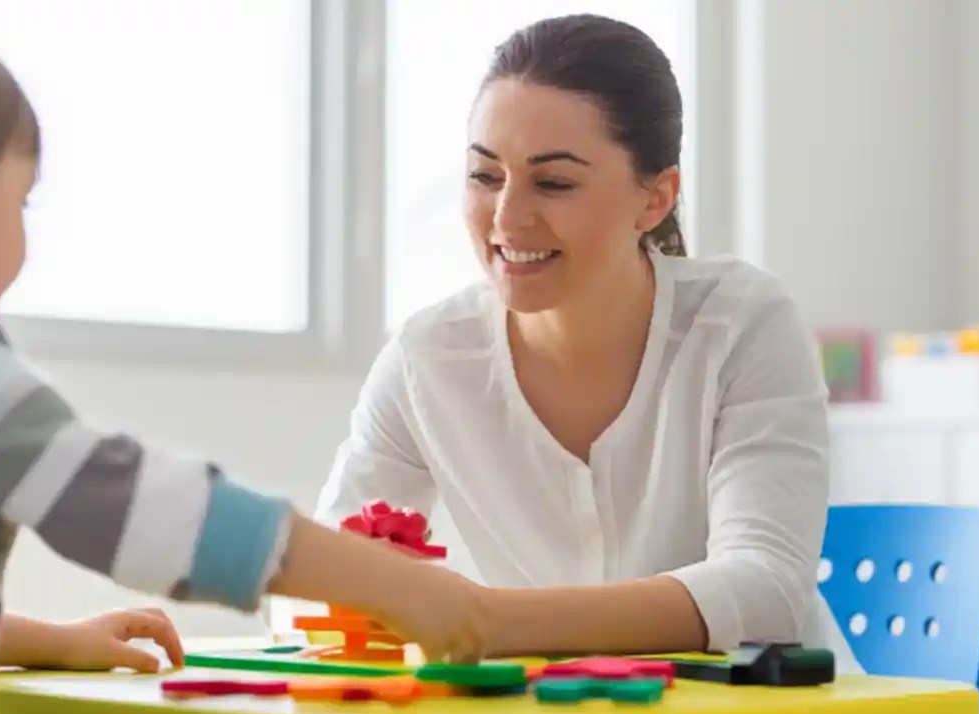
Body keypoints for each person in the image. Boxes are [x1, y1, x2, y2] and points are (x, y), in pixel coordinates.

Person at [0, 5, 487, 714]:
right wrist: (399, 587)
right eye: (22, 203)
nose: (23, 240)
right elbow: (143, 509)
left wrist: (56, 642)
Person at [317, 13, 830, 657]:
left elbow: (765, 591)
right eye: (485, 176)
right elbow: (316, 587)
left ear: (656, 198)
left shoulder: (741, 325)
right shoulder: (428, 359)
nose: (508, 219)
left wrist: (485, 621)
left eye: (554, 183)